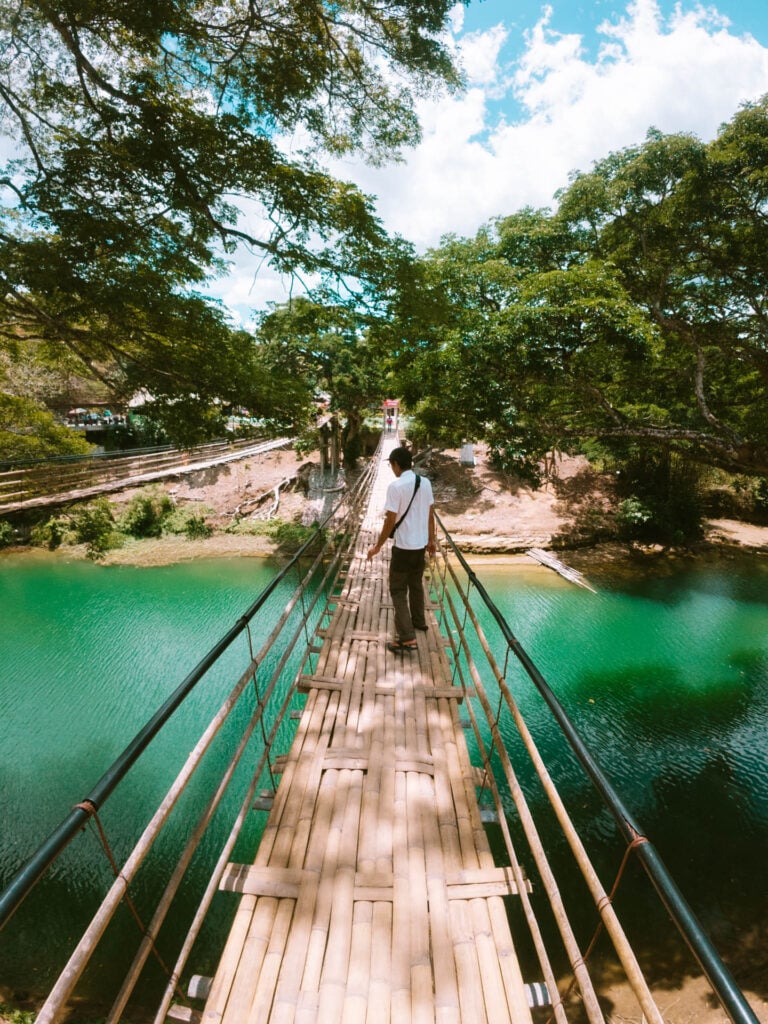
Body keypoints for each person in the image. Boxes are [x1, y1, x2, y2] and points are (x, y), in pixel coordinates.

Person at [367, 446, 436, 652]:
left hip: (403, 546)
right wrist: (431, 541)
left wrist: (378, 546)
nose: (392, 469)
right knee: (415, 584)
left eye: (391, 465)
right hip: (421, 545)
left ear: (396, 464)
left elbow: (390, 520)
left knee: (397, 590)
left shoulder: (395, 487)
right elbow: (430, 514)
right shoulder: (425, 483)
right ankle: (419, 622)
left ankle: (406, 638)